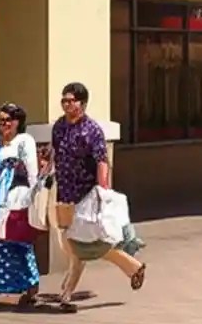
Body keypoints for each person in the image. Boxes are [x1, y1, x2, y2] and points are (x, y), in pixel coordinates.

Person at [52, 82, 146, 312]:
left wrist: (103, 191)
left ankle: (66, 294)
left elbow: (102, 161)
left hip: (87, 194)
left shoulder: (91, 130)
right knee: (74, 243)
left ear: (82, 104)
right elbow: (55, 152)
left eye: (71, 100)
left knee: (77, 243)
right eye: (64, 100)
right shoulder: (59, 127)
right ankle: (133, 267)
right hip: (65, 193)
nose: (66, 104)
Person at [0, 103, 40, 306]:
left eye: (7, 120)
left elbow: (32, 172)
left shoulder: (24, 141)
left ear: (17, 122)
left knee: (17, 239)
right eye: (0, 120)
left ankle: (31, 284)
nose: (3, 124)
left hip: (15, 193)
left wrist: (34, 196)